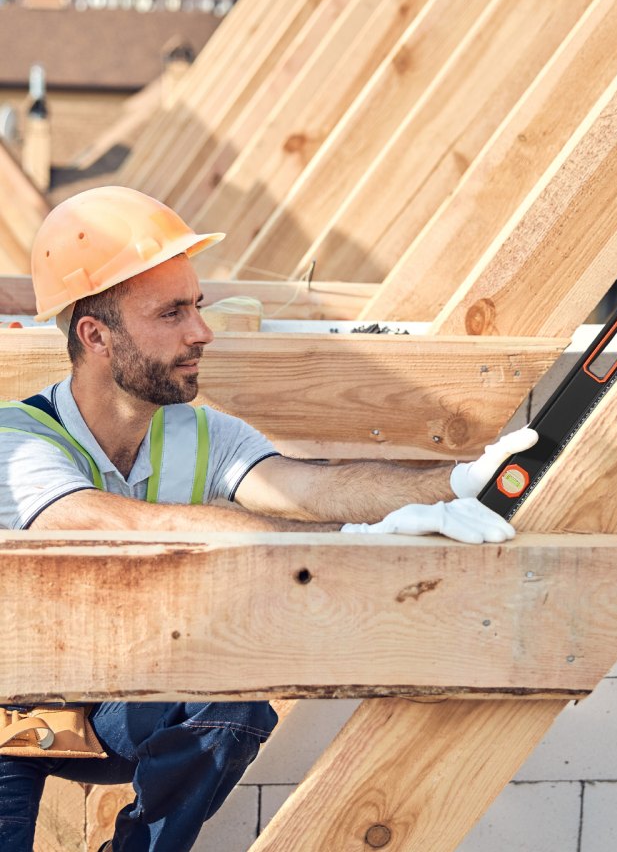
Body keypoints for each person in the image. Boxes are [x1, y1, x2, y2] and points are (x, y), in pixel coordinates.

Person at [0, 186, 535, 852]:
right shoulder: (18, 439)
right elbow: (97, 523)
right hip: (9, 717)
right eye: (171, 313)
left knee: (232, 697)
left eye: (196, 306)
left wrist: (445, 486)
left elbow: (308, 487)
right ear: (95, 336)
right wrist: (336, 542)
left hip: (117, 702)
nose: (202, 331)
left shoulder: (201, 433)